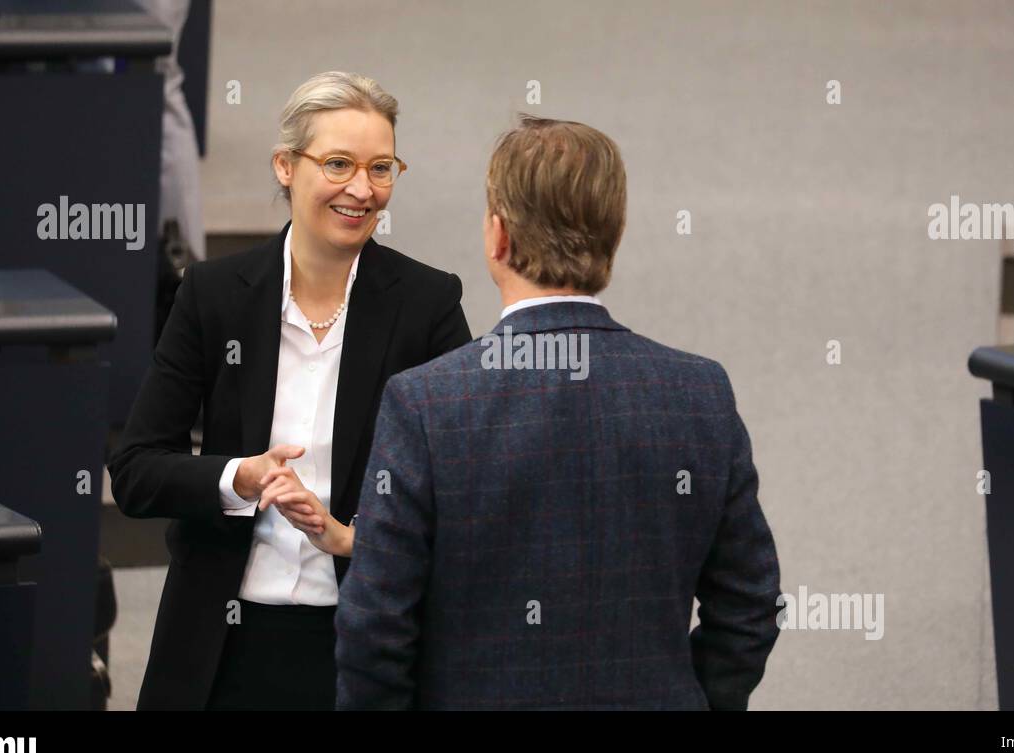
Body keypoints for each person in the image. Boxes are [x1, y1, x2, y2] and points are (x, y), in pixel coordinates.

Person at [335, 115, 782, 710]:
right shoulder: (698, 393)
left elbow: (375, 631)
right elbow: (750, 606)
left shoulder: (427, 404)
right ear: (615, 233)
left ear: (498, 237)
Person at [108, 72, 472, 710]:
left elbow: (468, 488)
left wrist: (355, 535)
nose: (362, 190)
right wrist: (237, 479)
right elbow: (136, 471)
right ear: (285, 166)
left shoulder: (427, 306)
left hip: (365, 641)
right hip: (221, 643)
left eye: (381, 168)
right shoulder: (213, 295)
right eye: (338, 164)